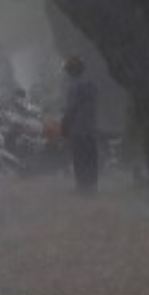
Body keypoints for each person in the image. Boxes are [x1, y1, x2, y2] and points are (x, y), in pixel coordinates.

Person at [61, 56, 98, 193]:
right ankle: (92, 185)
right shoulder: (91, 85)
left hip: (77, 129)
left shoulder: (74, 86)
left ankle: (83, 186)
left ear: (70, 71)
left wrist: (64, 125)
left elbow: (71, 109)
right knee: (91, 156)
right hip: (90, 128)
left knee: (79, 158)